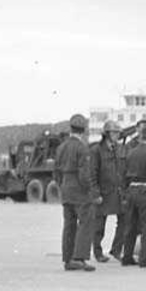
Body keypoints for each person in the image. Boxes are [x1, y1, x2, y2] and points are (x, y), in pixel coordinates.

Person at [55, 113, 96, 271]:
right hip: (79, 190)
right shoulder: (82, 148)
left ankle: (68, 259)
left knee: (69, 225)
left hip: (66, 188)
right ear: (84, 130)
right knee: (86, 222)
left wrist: (62, 185)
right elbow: (84, 175)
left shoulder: (61, 147)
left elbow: (56, 172)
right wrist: (90, 191)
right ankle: (80, 257)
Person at [119, 120, 146, 267]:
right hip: (145, 191)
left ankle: (127, 256)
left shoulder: (131, 152)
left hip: (131, 190)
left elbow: (123, 174)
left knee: (130, 225)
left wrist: (125, 192)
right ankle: (144, 258)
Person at [90, 121, 126, 262]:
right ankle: (98, 252)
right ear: (107, 134)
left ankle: (116, 250)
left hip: (117, 192)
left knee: (124, 220)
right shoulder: (96, 151)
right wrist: (95, 193)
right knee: (99, 225)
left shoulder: (119, 149)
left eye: (118, 133)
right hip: (103, 193)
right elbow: (92, 173)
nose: (117, 135)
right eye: (114, 133)